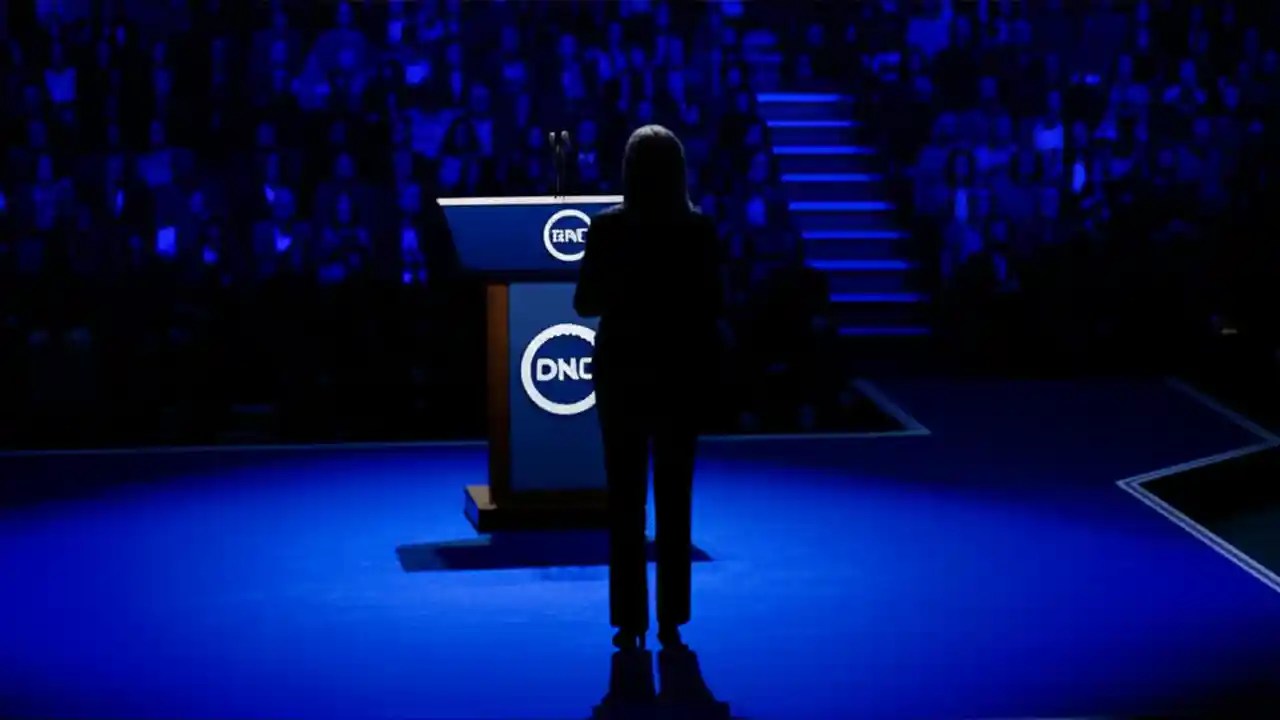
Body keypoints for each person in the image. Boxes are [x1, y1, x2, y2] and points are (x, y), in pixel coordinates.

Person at [574, 125, 724, 652]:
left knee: (625, 500)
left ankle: (629, 619)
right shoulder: (697, 228)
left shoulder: (607, 228)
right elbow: (713, 302)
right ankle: (672, 616)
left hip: (622, 373)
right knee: (676, 498)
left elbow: (584, 303)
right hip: (679, 374)